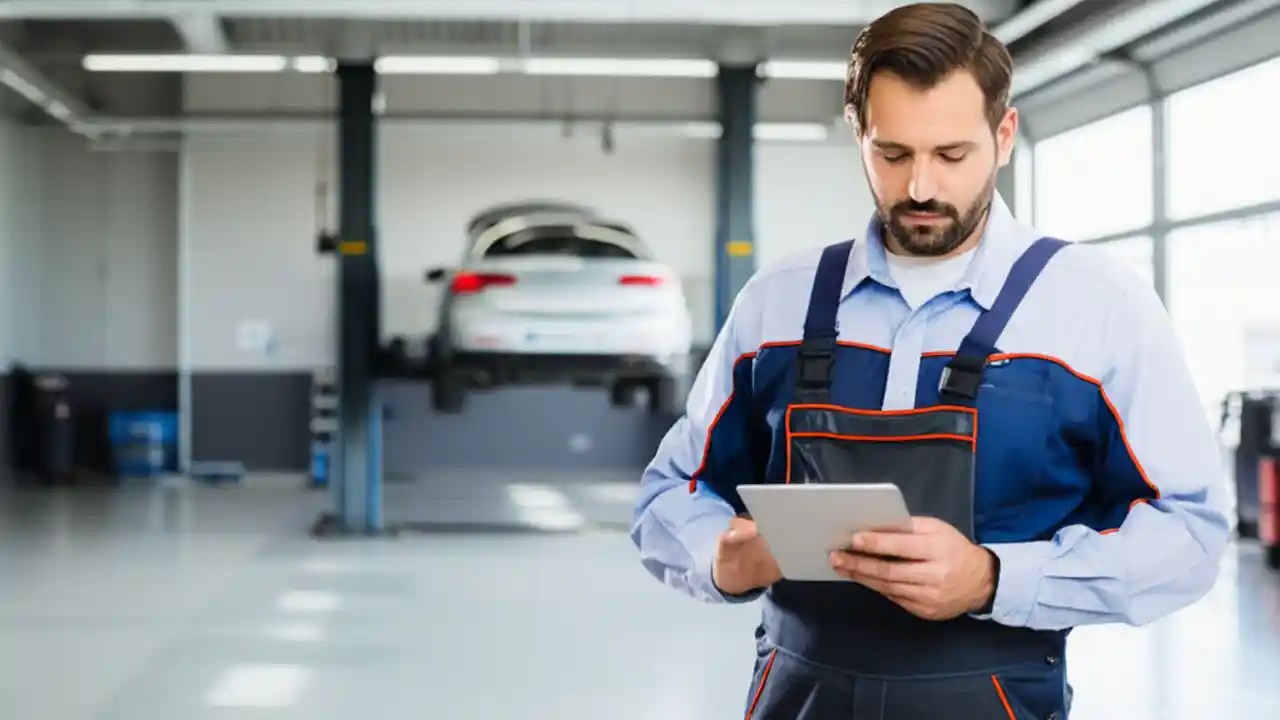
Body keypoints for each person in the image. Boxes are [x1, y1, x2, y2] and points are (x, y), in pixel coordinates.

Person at [630, 3, 1230, 719]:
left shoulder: (1099, 309)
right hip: (799, 695)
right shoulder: (776, 305)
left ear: (1003, 136)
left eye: (951, 155)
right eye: (892, 154)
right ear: (858, 134)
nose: (919, 188)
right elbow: (669, 492)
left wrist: (994, 579)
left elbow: (1189, 531)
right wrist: (721, 558)